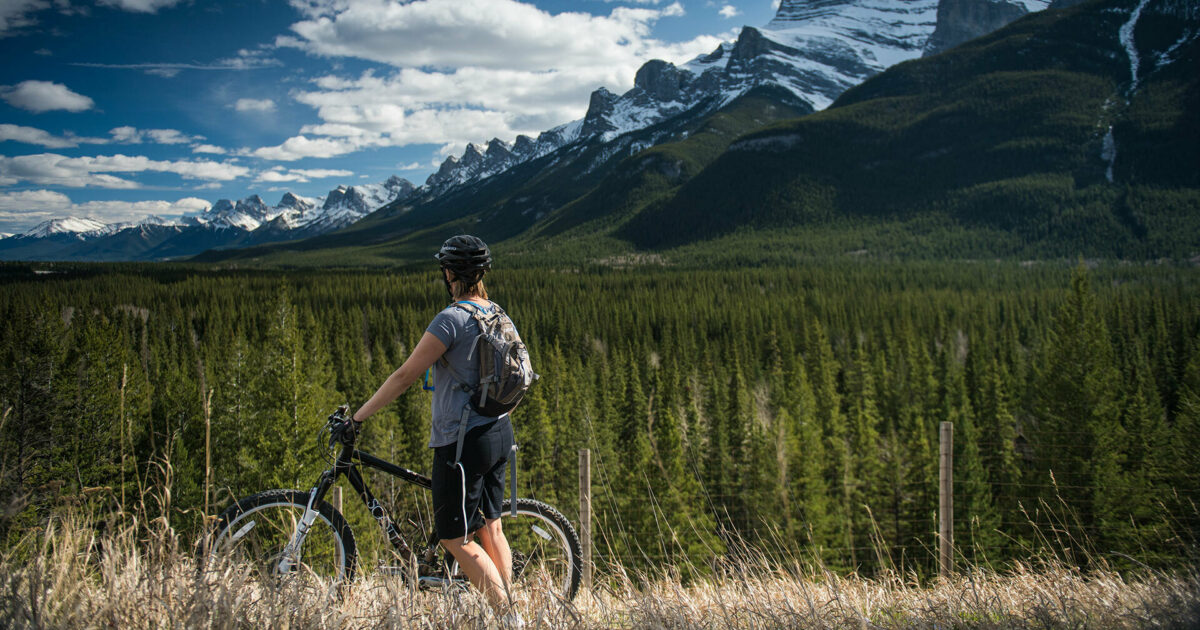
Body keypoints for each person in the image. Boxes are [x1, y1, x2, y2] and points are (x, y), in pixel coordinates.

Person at [351, 235, 518, 618]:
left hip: (462, 443)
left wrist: (358, 416)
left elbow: (405, 375)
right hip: (499, 432)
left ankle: (509, 618)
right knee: (492, 529)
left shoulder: (451, 319)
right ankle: (512, 608)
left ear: (449, 273)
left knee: (455, 539)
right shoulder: (497, 312)